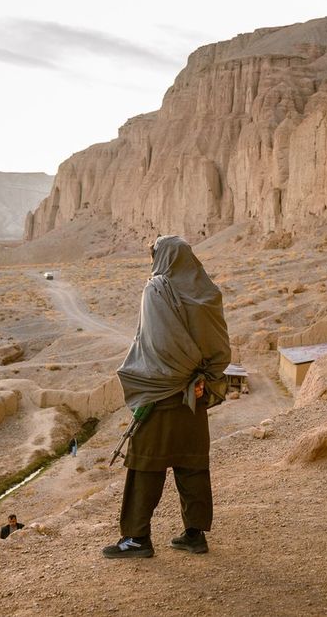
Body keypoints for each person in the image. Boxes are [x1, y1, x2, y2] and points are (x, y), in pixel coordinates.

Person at [102, 235, 231, 559]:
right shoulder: (205, 291)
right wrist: (201, 376)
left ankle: (136, 538)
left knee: (145, 463)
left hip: (163, 393)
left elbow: (154, 345)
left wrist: (170, 379)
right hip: (194, 394)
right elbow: (217, 345)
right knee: (192, 463)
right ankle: (194, 534)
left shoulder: (156, 289)